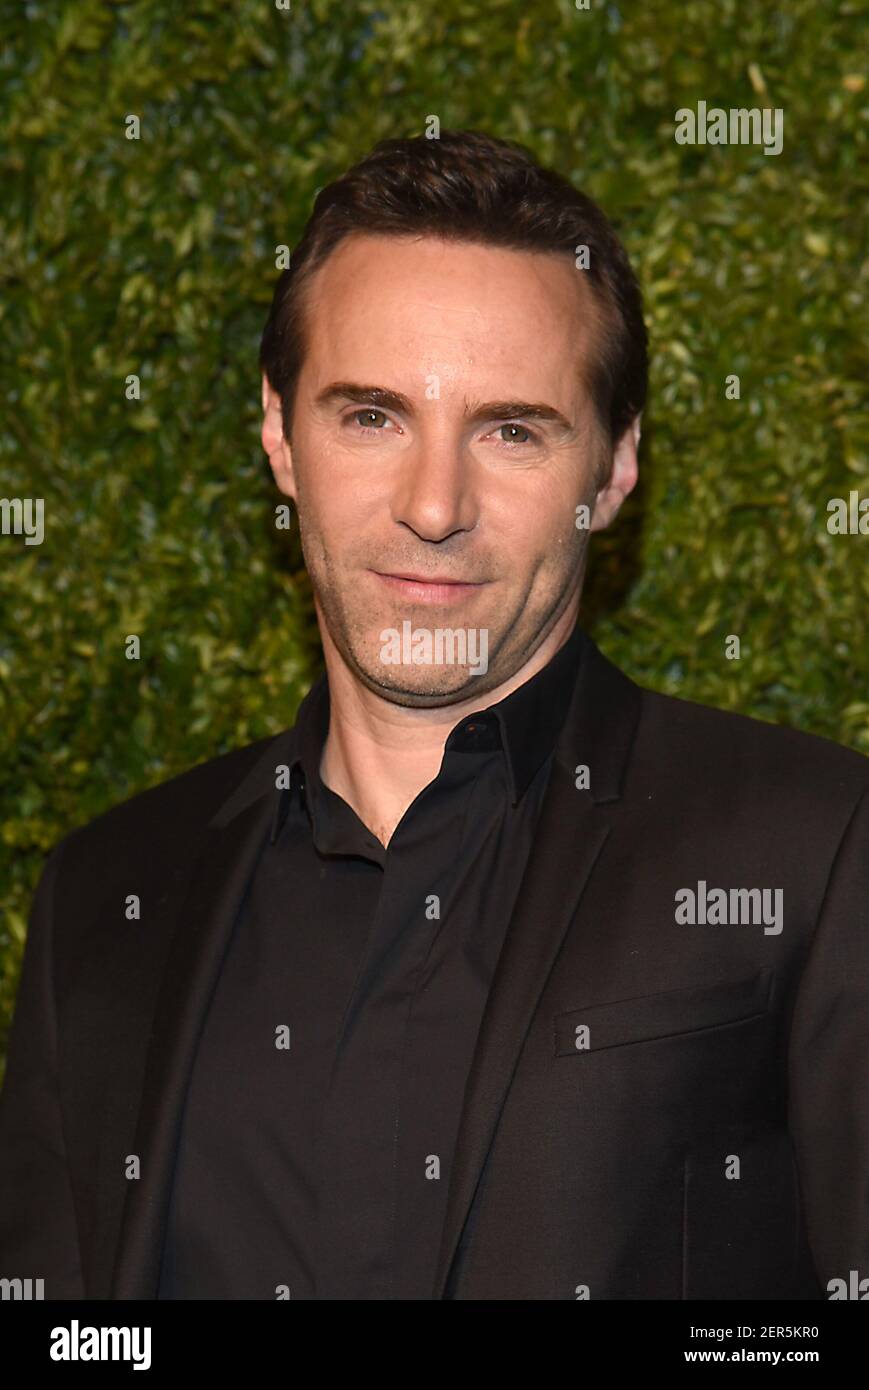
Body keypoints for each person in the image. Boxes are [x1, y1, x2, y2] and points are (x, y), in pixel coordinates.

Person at [1, 129, 866, 1301]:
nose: (432, 504)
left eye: (511, 429)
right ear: (278, 434)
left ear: (611, 473)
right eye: (370, 416)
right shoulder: (104, 896)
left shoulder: (813, 844)